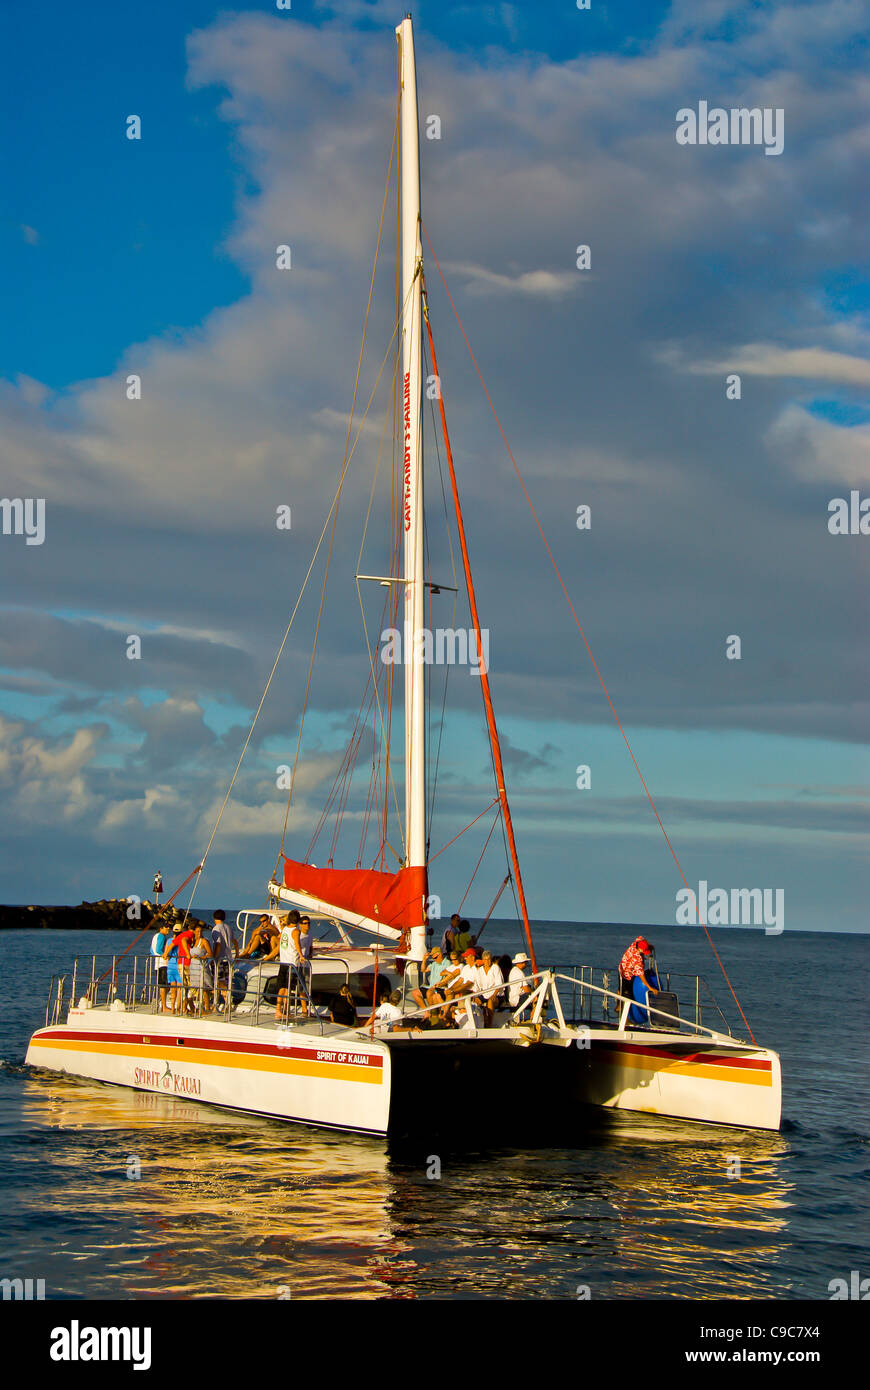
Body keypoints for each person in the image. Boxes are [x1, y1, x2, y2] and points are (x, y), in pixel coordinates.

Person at [274, 911, 312, 1021]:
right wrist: (301, 955)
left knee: (282, 987)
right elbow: (297, 944)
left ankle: (279, 1010)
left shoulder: (285, 929)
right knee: (287, 988)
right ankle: (283, 1011)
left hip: (283, 962)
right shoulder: (296, 931)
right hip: (292, 963)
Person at [618, 936, 659, 1027]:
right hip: (627, 974)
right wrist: (650, 988)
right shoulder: (637, 959)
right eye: (643, 952)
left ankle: (619, 1002)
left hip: (622, 966)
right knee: (628, 997)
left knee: (621, 989)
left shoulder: (636, 943)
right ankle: (625, 1019)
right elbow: (641, 976)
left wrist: (649, 946)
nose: (644, 954)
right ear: (640, 949)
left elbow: (641, 938)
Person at [163, 923, 194, 1015]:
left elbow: (166, 952)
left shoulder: (169, 940)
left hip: (170, 966)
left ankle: (172, 1007)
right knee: (180, 988)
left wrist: (166, 956)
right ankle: (178, 1007)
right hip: (179, 964)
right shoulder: (180, 938)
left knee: (173, 988)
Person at [211, 910, 239, 1012]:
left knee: (220, 982)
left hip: (220, 959)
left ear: (214, 918)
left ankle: (226, 1004)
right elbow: (235, 941)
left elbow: (217, 944)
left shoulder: (216, 929)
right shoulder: (228, 927)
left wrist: (214, 957)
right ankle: (218, 1004)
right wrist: (237, 954)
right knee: (225, 982)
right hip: (228, 958)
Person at [188, 921, 214, 1014]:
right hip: (193, 967)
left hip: (201, 966)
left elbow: (210, 953)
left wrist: (201, 957)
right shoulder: (192, 941)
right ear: (194, 931)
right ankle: (197, 1007)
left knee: (204, 988)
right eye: (197, 931)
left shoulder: (204, 941)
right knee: (196, 988)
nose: (199, 933)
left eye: (201, 931)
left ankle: (207, 1008)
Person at [475, 949, 505, 1022]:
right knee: (475, 1002)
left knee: (490, 1002)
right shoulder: (480, 970)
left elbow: (499, 984)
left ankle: (489, 1023)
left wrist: (494, 995)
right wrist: (476, 996)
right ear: (483, 960)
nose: (487, 961)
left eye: (488, 959)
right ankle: (478, 1022)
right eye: (485, 960)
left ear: (491, 960)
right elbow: (477, 986)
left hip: (497, 994)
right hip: (484, 994)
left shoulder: (495, 968)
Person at [150, 919, 171, 1012]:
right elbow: (158, 950)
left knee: (163, 985)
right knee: (164, 985)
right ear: (161, 928)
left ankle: (163, 1004)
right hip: (162, 964)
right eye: (166, 927)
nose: (168, 928)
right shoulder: (162, 936)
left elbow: (152, 950)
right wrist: (166, 956)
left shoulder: (155, 936)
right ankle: (164, 1006)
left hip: (157, 963)